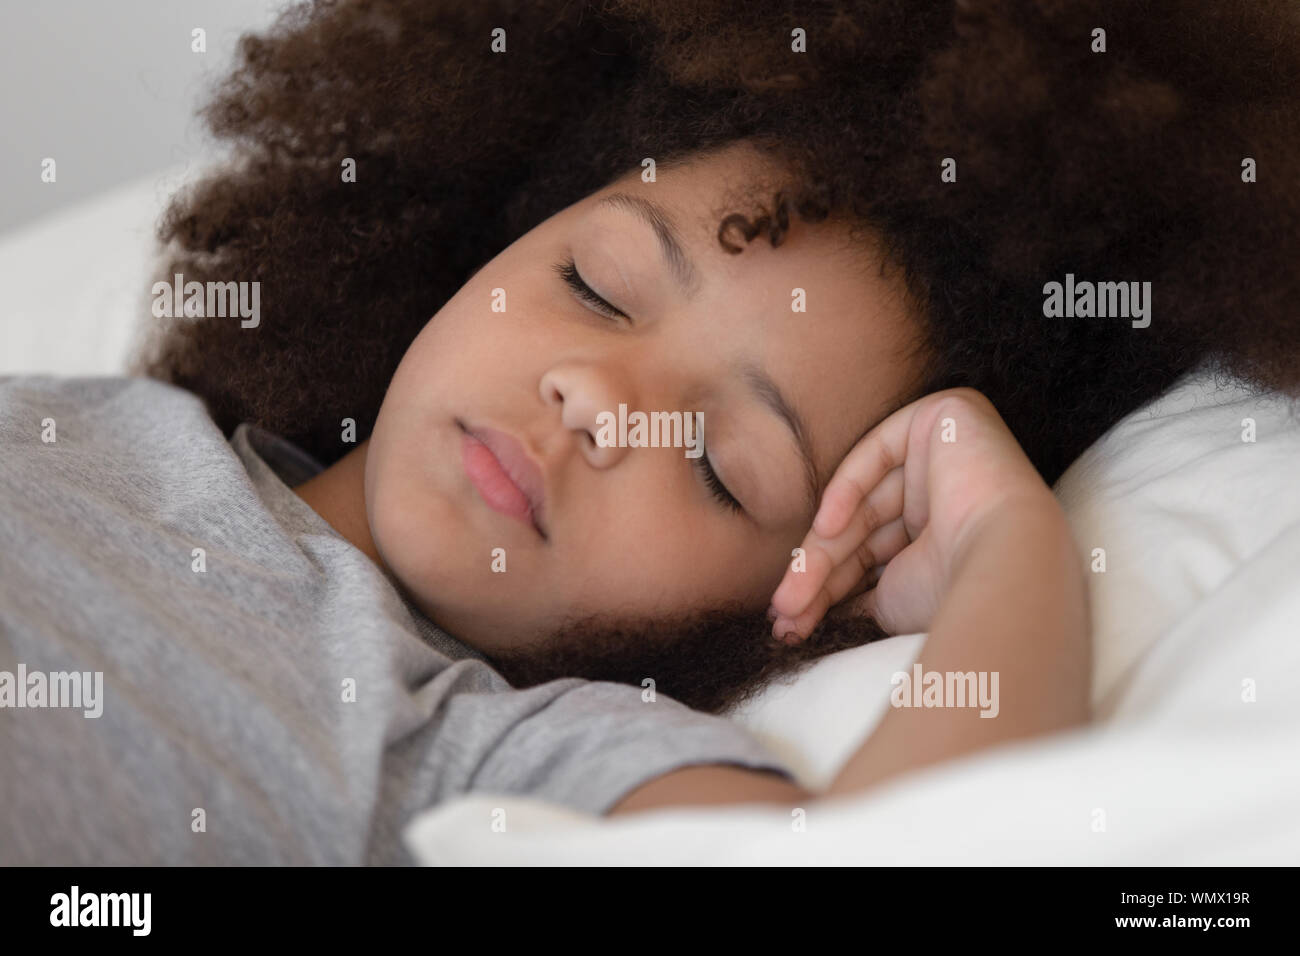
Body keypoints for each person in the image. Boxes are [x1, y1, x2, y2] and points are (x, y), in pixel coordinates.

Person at [2, 0, 1297, 862]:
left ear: (807, 592)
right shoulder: (84, 422)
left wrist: (1008, 545)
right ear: (493, 224)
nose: (602, 400)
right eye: (597, 284)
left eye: (718, 468)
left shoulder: (508, 745)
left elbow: (892, 849)